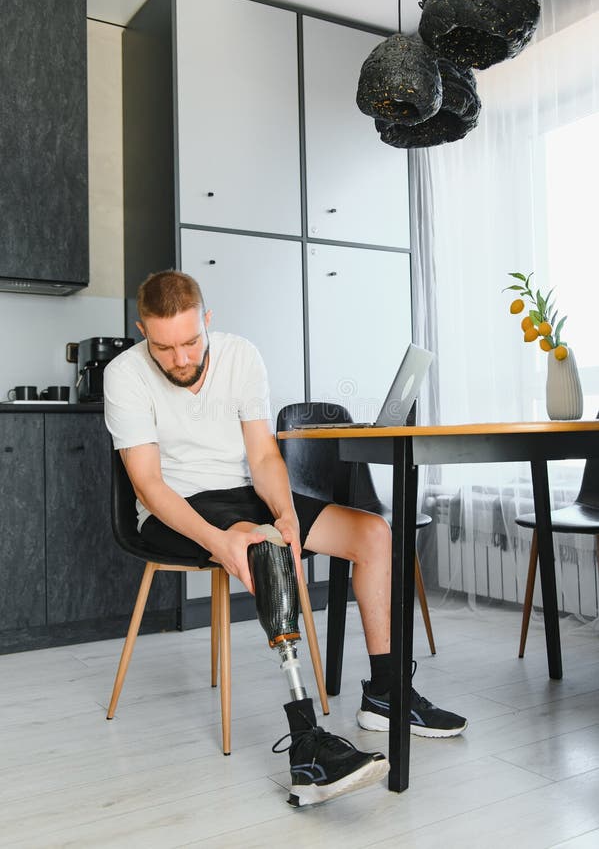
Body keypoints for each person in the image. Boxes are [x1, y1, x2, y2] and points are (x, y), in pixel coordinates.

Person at [104, 270, 467, 807]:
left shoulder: (241, 356)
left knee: (372, 533)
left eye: (190, 342)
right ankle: (306, 746)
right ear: (142, 332)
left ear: (207, 322)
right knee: (263, 544)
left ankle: (386, 693)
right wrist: (225, 539)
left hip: (245, 494)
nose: (180, 359)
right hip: (176, 508)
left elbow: (263, 456)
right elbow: (149, 485)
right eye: (164, 347)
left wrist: (284, 512)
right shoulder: (124, 374)